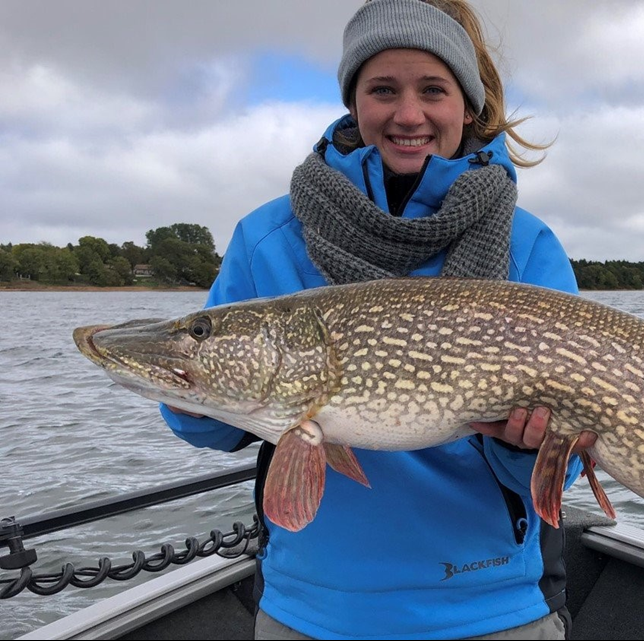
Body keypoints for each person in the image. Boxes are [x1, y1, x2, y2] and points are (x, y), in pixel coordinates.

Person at [159, 0, 593, 638]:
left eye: (432, 91)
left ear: (466, 107)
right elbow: (215, 432)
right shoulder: (268, 241)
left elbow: (563, 467)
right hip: (311, 613)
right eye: (383, 89)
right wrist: (191, 395)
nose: (408, 114)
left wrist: (524, 444)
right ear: (353, 102)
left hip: (491, 608)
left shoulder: (526, 248)